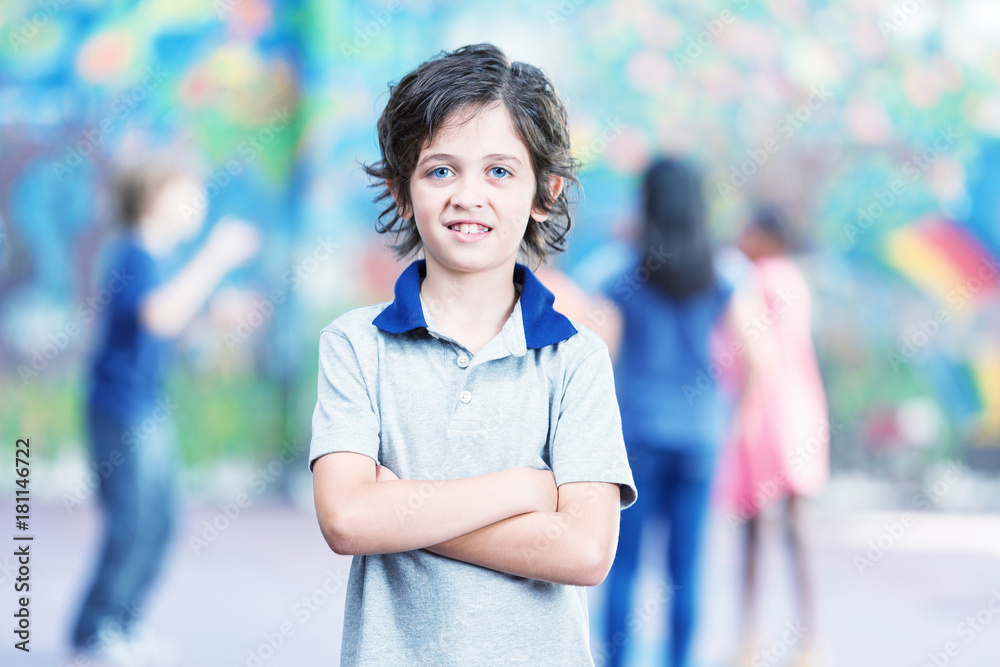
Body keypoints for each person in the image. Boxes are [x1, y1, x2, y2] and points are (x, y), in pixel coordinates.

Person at [309, 43, 637, 666]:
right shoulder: (354, 344)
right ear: (402, 191)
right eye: (440, 171)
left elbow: (585, 551)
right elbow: (348, 519)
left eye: (499, 172)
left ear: (545, 192)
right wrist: (525, 488)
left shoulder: (576, 359)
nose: (468, 195)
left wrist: (400, 510)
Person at [72, 156, 259, 666]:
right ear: (156, 199)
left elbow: (172, 330)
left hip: (146, 408)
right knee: (132, 522)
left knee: (161, 520)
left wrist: (215, 320)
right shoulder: (135, 254)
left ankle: (122, 624)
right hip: (121, 410)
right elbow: (159, 316)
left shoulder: (162, 260)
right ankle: (97, 630)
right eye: (189, 194)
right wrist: (216, 258)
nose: (199, 204)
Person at [713, 205, 829, 667]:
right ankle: (810, 641)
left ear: (767, 237)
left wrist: (741, 411)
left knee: (754, 528)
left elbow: (744, 351)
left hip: (762, 410)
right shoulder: (795, 280)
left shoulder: (755, 280)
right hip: (801, 409)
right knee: (798, 526)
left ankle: (749, 639)